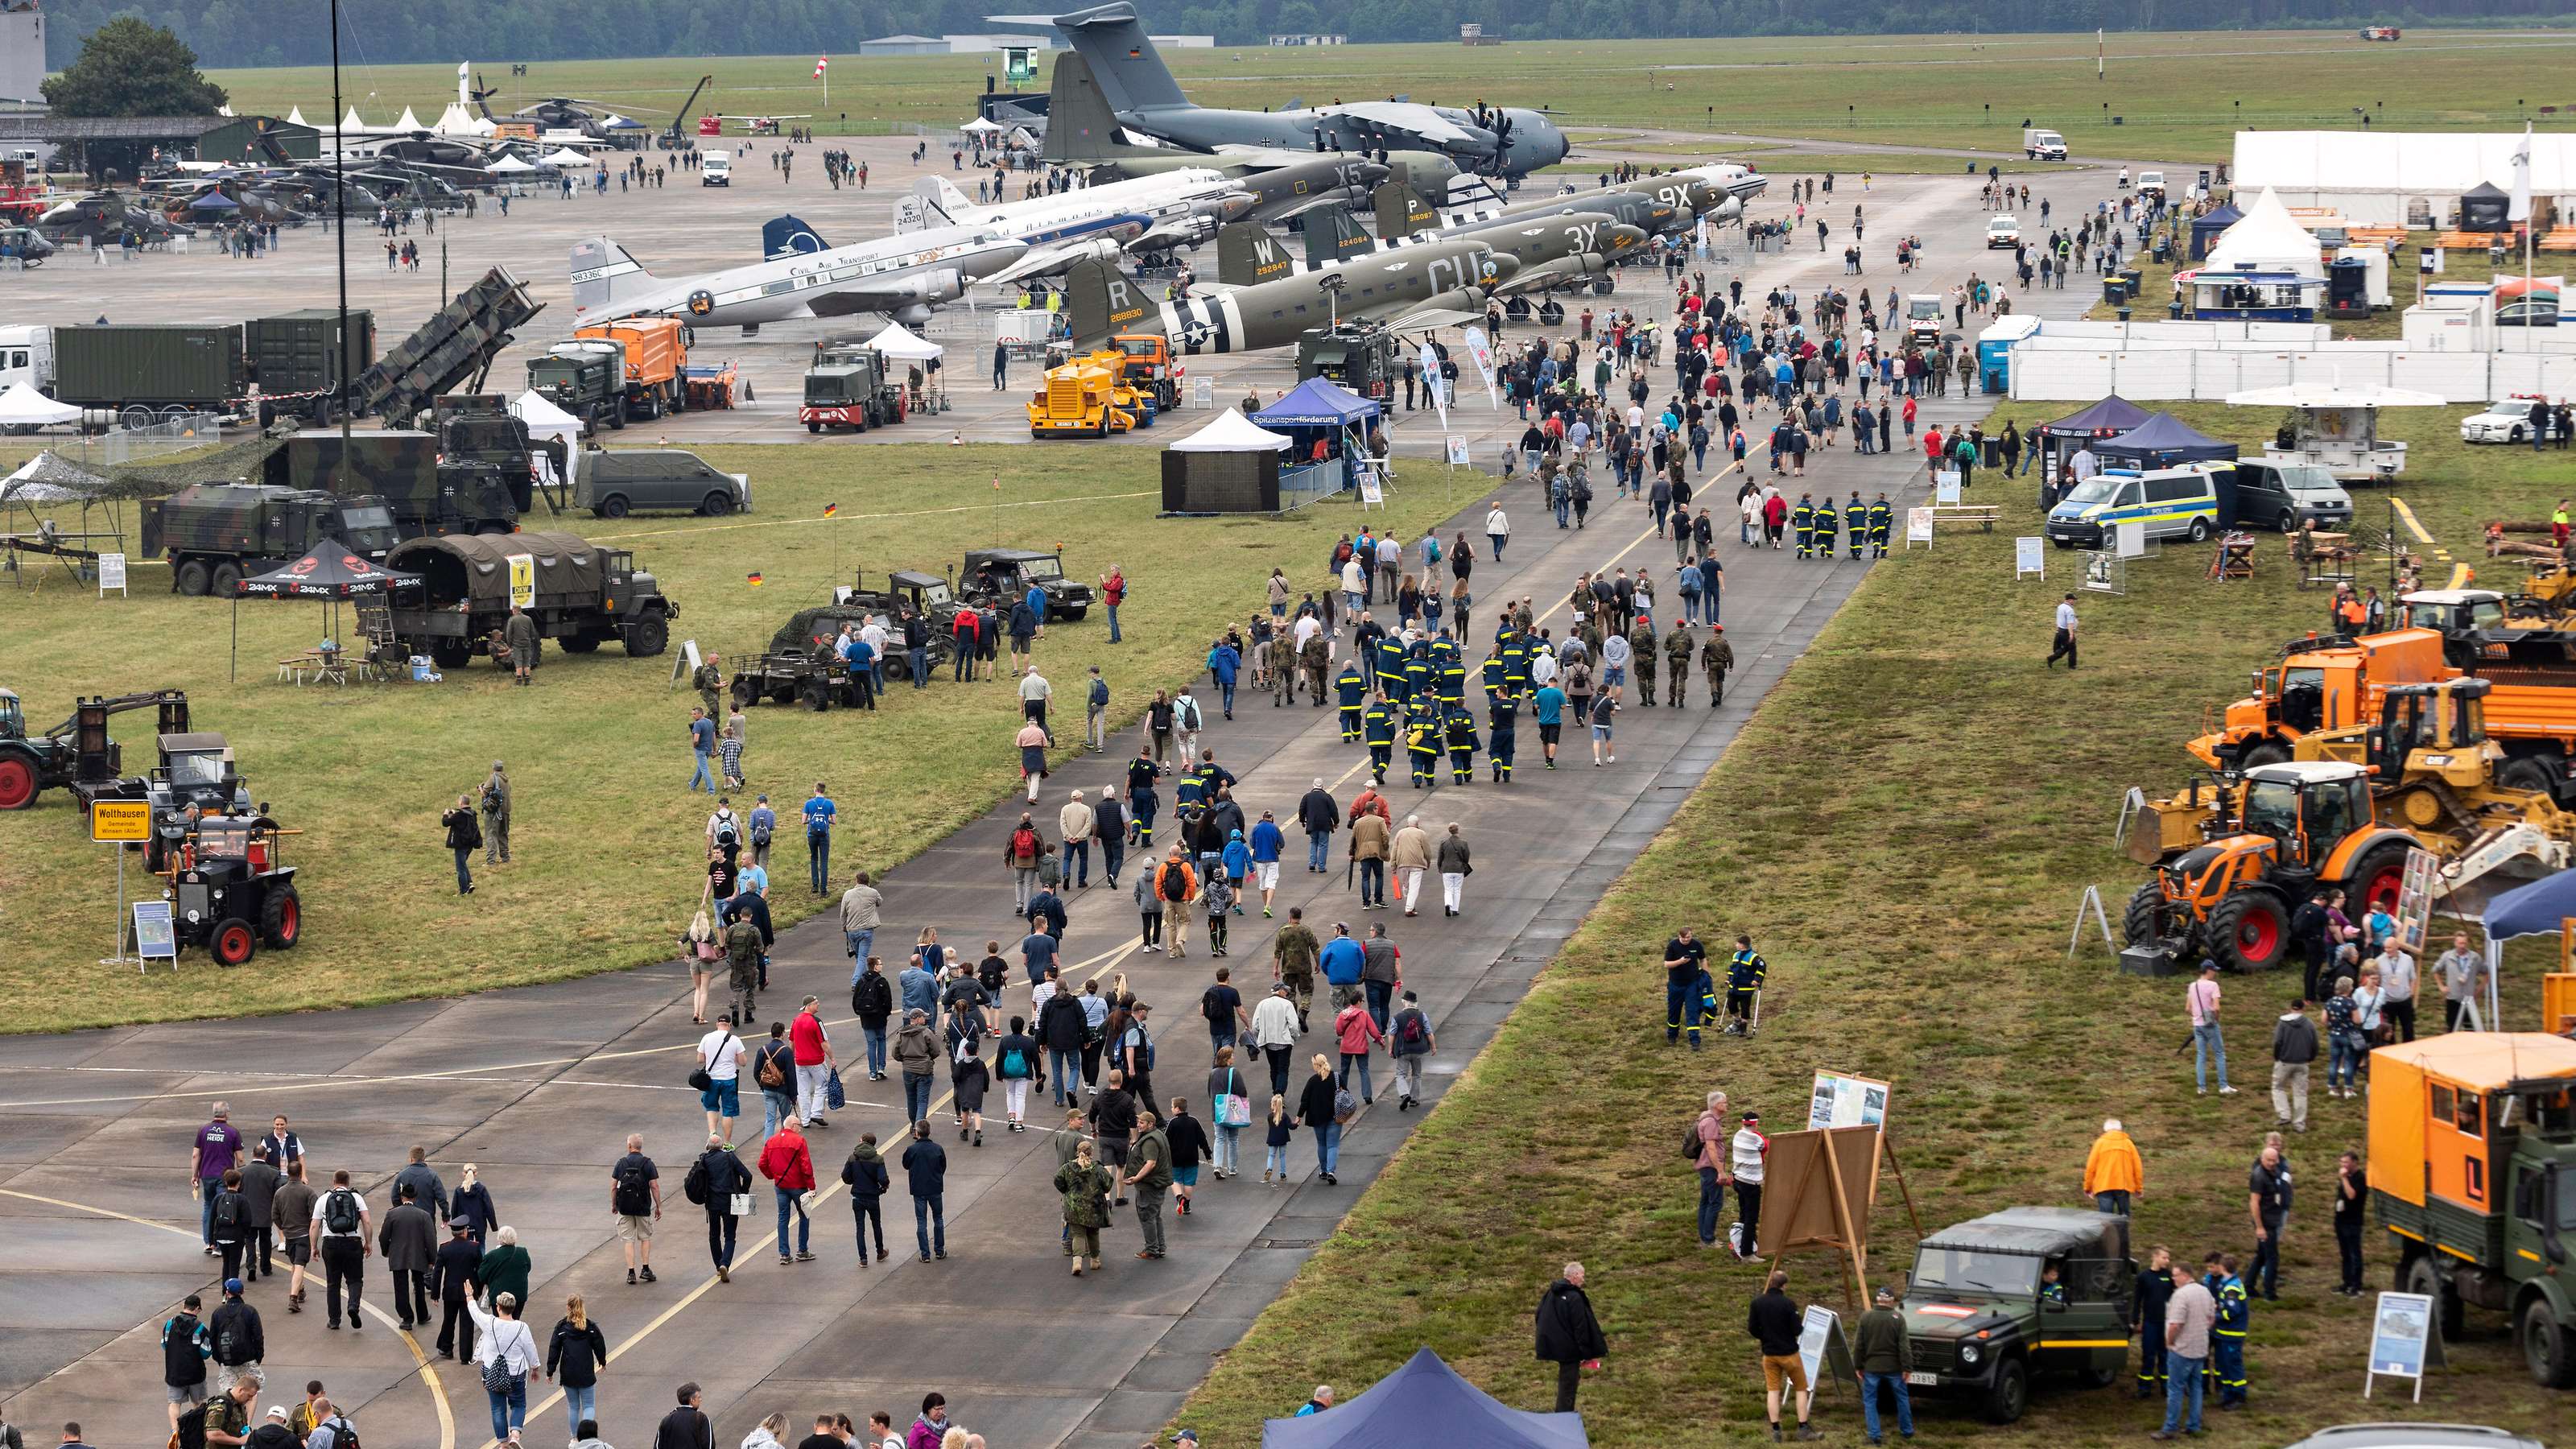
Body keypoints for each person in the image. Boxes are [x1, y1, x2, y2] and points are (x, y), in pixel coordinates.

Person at [1748, 1269, 1820, 1440]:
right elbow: (1797, 1330)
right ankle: (1803, 1428)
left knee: (1773, 1391)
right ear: (1784, 1286)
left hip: (1769, 1354)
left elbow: (1752, 1328)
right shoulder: (1788, 1304)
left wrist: (1765, 1337)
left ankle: (1776, 1430)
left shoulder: (1757, 1303)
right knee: (1801, 1388)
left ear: (1770, 1282)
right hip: (1790, 1354)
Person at [464, 1290, 537, 1447]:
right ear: (513, 1308)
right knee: (518, 1405)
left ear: (498, 1307)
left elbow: (475, 1312)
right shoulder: (522, 1328)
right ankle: (515, 1434)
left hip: (492, 1373)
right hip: (515, 1374)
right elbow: (530, 1349)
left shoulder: (489, 1323)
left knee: (498, 1408)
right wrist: (535, 1367)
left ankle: (503, 1443)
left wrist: (469, 1295)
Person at [1533, 1262, 1608, 1414]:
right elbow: (1581, 1327)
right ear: (1575, 1275)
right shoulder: (1574, 1296)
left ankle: (1563, 1414)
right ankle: (1564, 1416)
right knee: (1569, 1384)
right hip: (1570, 1349)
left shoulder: (1551, 1293)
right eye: (1582, 1276)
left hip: (1555, 1345)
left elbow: (1539, 1315)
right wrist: (1585, 1354)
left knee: (1566, 1381)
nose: (1583, 1280)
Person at [1853, 1285, 1914, 1444]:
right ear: (1892, 1301)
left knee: (1870, 1401)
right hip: (1894, 1368)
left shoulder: (1866, 1317)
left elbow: (1859, 1345)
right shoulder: (1898, 1318)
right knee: (1902, 1398)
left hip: (1872, 1368)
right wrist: (1907, 1367)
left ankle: (1874, 1435)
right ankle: (1907, 1431)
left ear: (1877, 1300)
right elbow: (1904, 1347)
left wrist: (1858, 1365)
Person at [312, 1169, 371, 1331]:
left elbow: (314, 1226)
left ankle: (334, 1320)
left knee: (333, 1283)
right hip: (353, 1242)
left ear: (333, 1182)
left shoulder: (323, 1199)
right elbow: (366, 1221)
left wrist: (313, 1246)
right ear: (348, 1182)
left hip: (330, 1244)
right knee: (355, 1279)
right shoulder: (356, 1197)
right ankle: (353, 1306)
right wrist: (368, 1242)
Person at [687, 1136, 751, 1282]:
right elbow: (747, 1175)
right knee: (730, 1236)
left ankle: (718, 1266)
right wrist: (743, 1192)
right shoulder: (730, 1157)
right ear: (722, 1146)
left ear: (707, 1147)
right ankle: (725, 1263)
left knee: (714, 1235)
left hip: (712, 1203)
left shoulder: (704, 1160)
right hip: (730, 1202)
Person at [759, 1117, 816, 1265]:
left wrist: (772, 1176)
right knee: (804, 1215)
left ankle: (784, 1254)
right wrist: (811, 1186)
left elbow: (762, 1163)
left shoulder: (771, 1141)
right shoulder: (799, 1141)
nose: (800, 1129)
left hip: (780, 1186)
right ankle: (802, 1250)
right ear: (792, 1125)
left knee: (783, 1217)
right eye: (799, 1126)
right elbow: (806, 1165)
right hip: (798, 1186)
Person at [377, 1184, 435, 1329]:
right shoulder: (424, 1215)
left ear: (402, 1197)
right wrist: (432, 1259)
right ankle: (422, 1315)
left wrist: (386, 1251)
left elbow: (383, 1236)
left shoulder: (392, 1214)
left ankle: (407, 1318)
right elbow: (431, 1239)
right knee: (419, 1285)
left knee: (400, 1287)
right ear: (415, 1198)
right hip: (418, 1255)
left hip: (398, 1255)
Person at [1126, 1107, 1174, 1258]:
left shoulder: (1150, 1141)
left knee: (1147, 1216)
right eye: (1138, 1122)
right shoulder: (1158, 1134)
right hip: (1157, 1183)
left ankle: (1152, 1249)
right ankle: (1160, 1247)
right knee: (1155, 1216)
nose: (1138, 1125)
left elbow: (1151, 1163)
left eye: (1142, 1123)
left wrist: (1137, 1178)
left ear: (1151, 1124)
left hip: (1150, 1185)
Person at [2131, 1245, 2174, 1399]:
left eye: (2168, 1258)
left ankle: (2167, 1387)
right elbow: (2137, 1300)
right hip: (2150, 1323)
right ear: (2155, 1257)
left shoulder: (2169, 1276)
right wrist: (2136, 1320)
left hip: (2166, 1323)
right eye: (2164, 1257)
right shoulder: (2143, 1277)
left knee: (2165, 1355)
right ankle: (2144, 1388)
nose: (2167, 1261)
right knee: (2148, 1355)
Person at [902, 1119, 949, 1261]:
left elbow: (906, 1165)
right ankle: (939, 1250)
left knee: (921, 1221)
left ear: (917, 1132)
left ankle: (925, 1254)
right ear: (929, 1132)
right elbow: (943, 1167)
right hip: (935, 1188)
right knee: (938, 1218)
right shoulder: (938, 1148)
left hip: (918, 1189)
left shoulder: (912, 1150)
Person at [2272, 999, 2319, 1133]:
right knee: (2301, 1094)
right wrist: (2311, 1057)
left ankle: (2284, 1114)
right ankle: (2299, 1123)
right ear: (2303, 1008)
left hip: (2284, 1061)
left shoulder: (2283, 1023)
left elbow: (2277, 1042)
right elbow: (2315, 1044)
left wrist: (2277, 1056)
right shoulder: (2309, 1023)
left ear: (2290, 1007)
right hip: (2302, 1063)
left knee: (2278, 1087)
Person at [698, 1013, 745, 1146]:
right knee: (728, 1112)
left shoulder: (707, 1037)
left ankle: (713, 1135)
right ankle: (727, 1143)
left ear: (717, 1024)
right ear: (729, 1025)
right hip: (729, 1079)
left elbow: (700, 1059)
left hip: (711, 1079)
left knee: (711, 1107)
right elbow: (743, 1062)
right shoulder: (735, 1040)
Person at [2188, 961, 2235, 1095]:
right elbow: (2216, 1008)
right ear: (2208, 970)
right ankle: (2223, 1086)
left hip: (2197, 1025)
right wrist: (2216, 1019)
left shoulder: (2192, 986)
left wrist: (2197, 1017)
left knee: (2201, 1055)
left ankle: (2201, 1088)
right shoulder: (2213, 985)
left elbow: (2188, 1008)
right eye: (2214, 970)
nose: (2215, 973)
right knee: (2219, 1053)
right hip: (2210, 1024)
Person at [1296, 1054, 1344, 1184]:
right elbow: (1345, 1093)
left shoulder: (1312, 1081)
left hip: (1317, 1117)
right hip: (1336, 1116)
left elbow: (1305, 1101)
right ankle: (1331, 1171)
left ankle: (1323, 1170)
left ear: (1315, 1065)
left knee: (1322, 1144)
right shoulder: (1336, 1077)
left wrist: (1299, 1116)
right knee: (1333, 1145)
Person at [2083, 1118, 2143, 1216]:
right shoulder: (2128, 1143)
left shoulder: (2100, 1143)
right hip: (2124, 1185)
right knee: (2124, 1217)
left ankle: (2108, 1227)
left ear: (2105, 1129)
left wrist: (2087, 1188)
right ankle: (2122, 1227)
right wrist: (2138, 1188)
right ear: (2120, 1129)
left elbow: (2091, 1167)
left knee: (2106, 1218)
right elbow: (2137, 1167)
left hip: (2103, 1185)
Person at [1731, 1110, 1769, 1258]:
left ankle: (1742, 1245)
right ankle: (1747, 1252)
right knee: (1751, 1219)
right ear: (1755, 1123)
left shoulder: (1738, 1135)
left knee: (1744, 1215)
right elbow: (1765, 1146)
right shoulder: (1756, 1138)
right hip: (1751, 1183)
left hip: (1738, 1180)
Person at [2332, 1151, 2369, 1296]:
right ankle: (2346, 1282)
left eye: (2346, 1162)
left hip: (2353, 1222)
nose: (2343, 1165)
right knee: (2345, 1254)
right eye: (2341, 1162)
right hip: (2341, 1220)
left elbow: (2351, 1195)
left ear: (2355, 1162)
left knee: (2355, 1255)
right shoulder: (2346, 1177)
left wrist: (2344, 1179)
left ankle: (2357, 1286)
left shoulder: (2360, 1178)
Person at [653, 1384, 713, 1449]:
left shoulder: (667, 1420)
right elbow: (709, 1445)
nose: (700, 1400)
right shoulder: (702, 1419)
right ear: (692, 1400)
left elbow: (658, 1446)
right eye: (699, 1397)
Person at [444, 795, 482, 894]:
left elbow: (445, 823)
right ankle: (469, 883)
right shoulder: (472, 813)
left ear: (461, 802)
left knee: (460, 868)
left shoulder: (459, 815)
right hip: (470, 844)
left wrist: (446, 814)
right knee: (463, 864)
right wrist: (454, 815)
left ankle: (464, 890)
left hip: (461, 845)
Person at [2046, 592, 2079, 670]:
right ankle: (2072, 666)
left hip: (2060, 630)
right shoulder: (2069, 610)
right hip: (2066, 631)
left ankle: (2052, 658)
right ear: (2069, 600)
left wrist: (2058, 628)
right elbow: (2070, 623)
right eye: (2073, 600)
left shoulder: (2060, 607)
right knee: (2072, 648)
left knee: (2067, 647)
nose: (2074, 601)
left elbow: (2059, 618)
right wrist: (2071, 634)